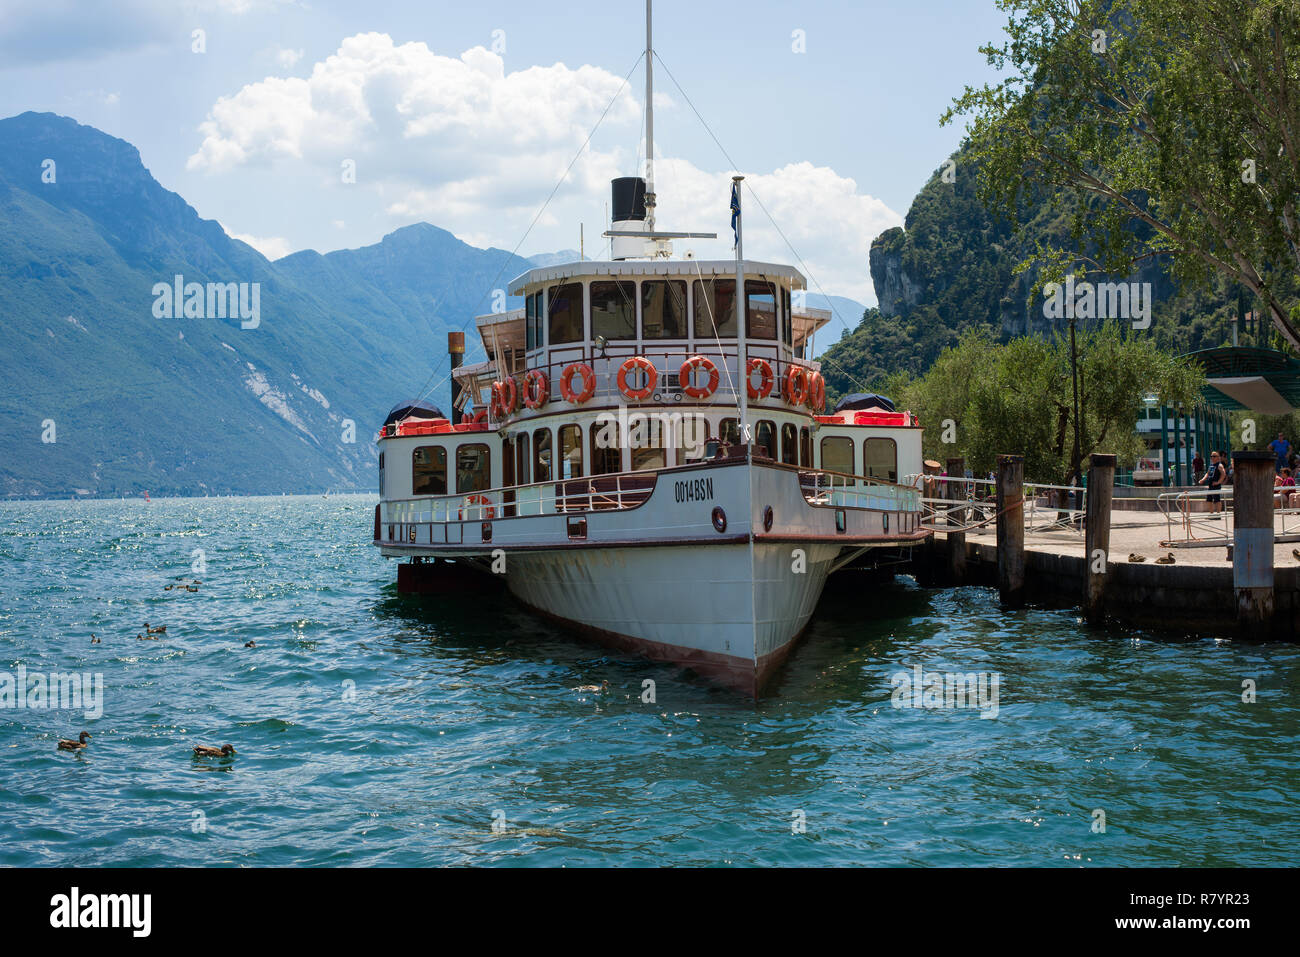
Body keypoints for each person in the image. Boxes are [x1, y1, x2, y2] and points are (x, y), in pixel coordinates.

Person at [1197, 450, 1227, 517]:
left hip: (1216, 485)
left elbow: (1223, 474)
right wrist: (1202, 480)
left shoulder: (1219, 465)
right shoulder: (1211, 465)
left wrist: (1218, 482)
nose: (1212, 458)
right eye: (1211, 456)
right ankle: (1211, 514)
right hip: (1210, 485)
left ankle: (1218, 514)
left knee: (1217, 500)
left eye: (1214, 456)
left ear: (1218, 457)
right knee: (1209, 499)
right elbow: (1207, 473)